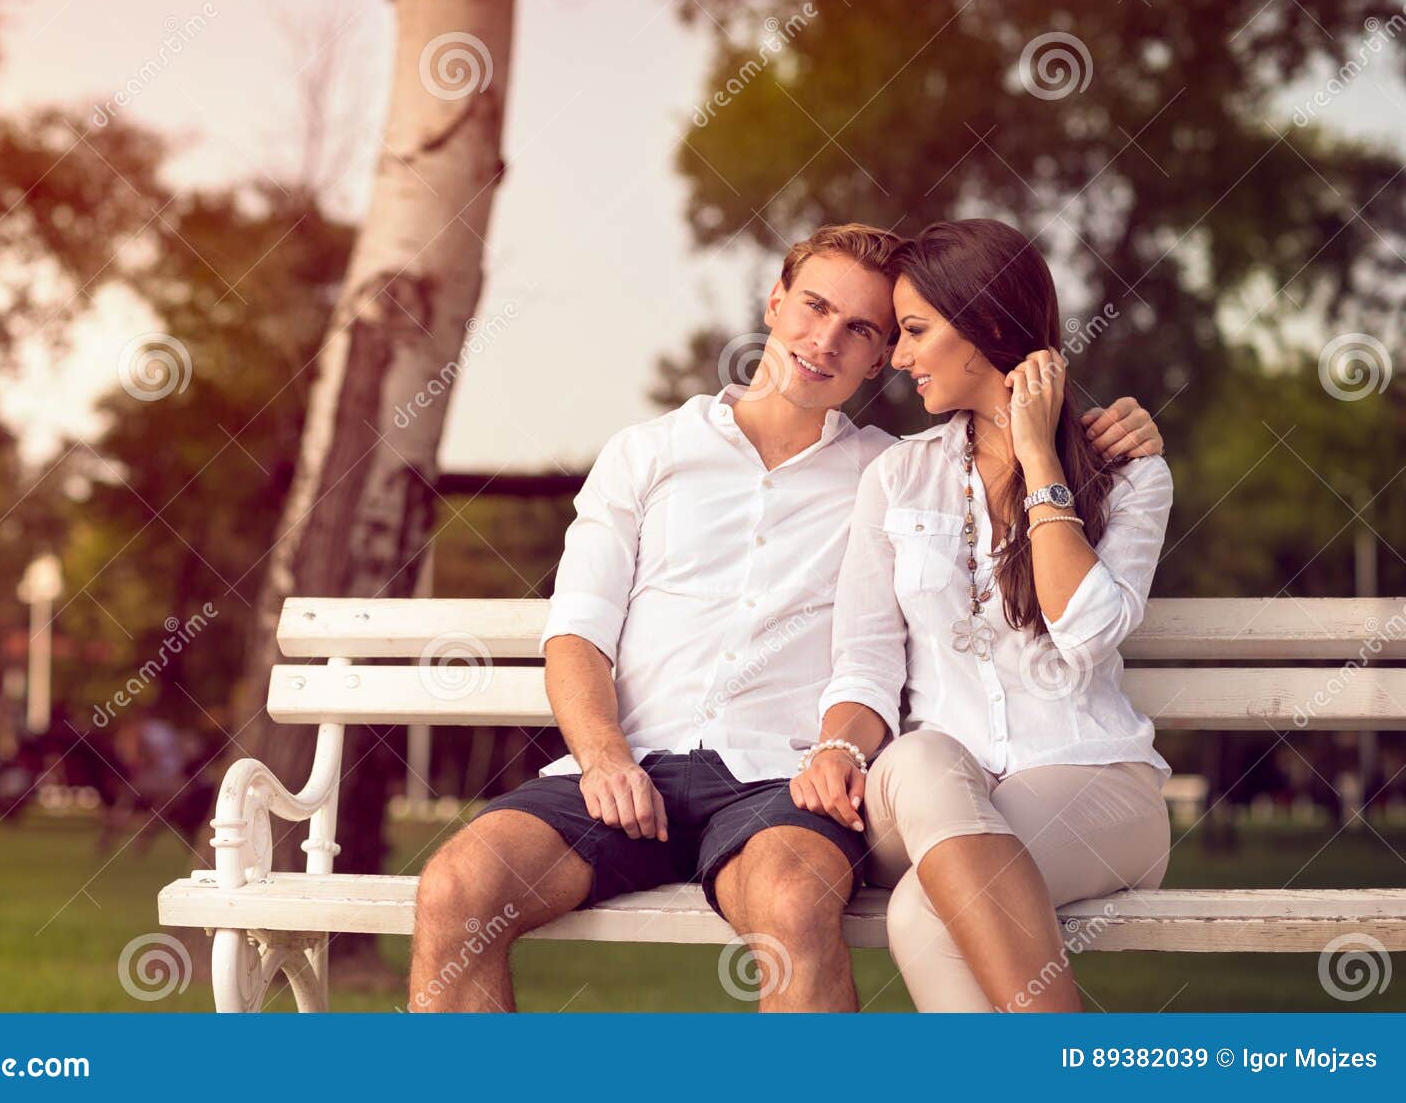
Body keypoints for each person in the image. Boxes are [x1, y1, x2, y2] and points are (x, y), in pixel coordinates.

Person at [410, 222, 1164, 1011]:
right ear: (775, 301)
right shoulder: (646, 453)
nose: (825, 340)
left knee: (796, 905)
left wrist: (1106, 434)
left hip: (780, 782)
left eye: (866, 330)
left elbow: (876, 653)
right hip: (628, 769)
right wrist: (603, 757)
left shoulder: (894, 470)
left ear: (881, 358)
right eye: (813, 307)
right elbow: (576, 634)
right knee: (456, 890)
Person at [792, 218, 1174, 1012]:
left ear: (991, 327)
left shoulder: (1130, 474)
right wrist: (835, 746)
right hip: (928, 789)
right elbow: (865, 658)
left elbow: (1090, 631)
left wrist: (1039, 460)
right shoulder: (898, 477)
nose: (896, 357)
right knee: (925, 756)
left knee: (928, 909)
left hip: (1099, 789)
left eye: (916, 331)